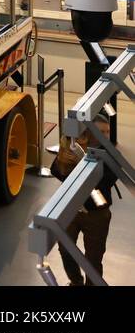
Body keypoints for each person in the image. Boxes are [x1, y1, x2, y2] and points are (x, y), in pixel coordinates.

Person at [50, 118, 119, 285]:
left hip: (96, 213)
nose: (106, 135)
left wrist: (81, 166)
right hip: (71, 209)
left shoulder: (110, 154)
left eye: (107, 131)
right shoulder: (76, 147)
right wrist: (62, 164)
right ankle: (75, 282)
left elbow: (107, 181)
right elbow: (55, 171)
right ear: (90, 132)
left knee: (93, 259)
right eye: (101, 132)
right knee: (65, 249)